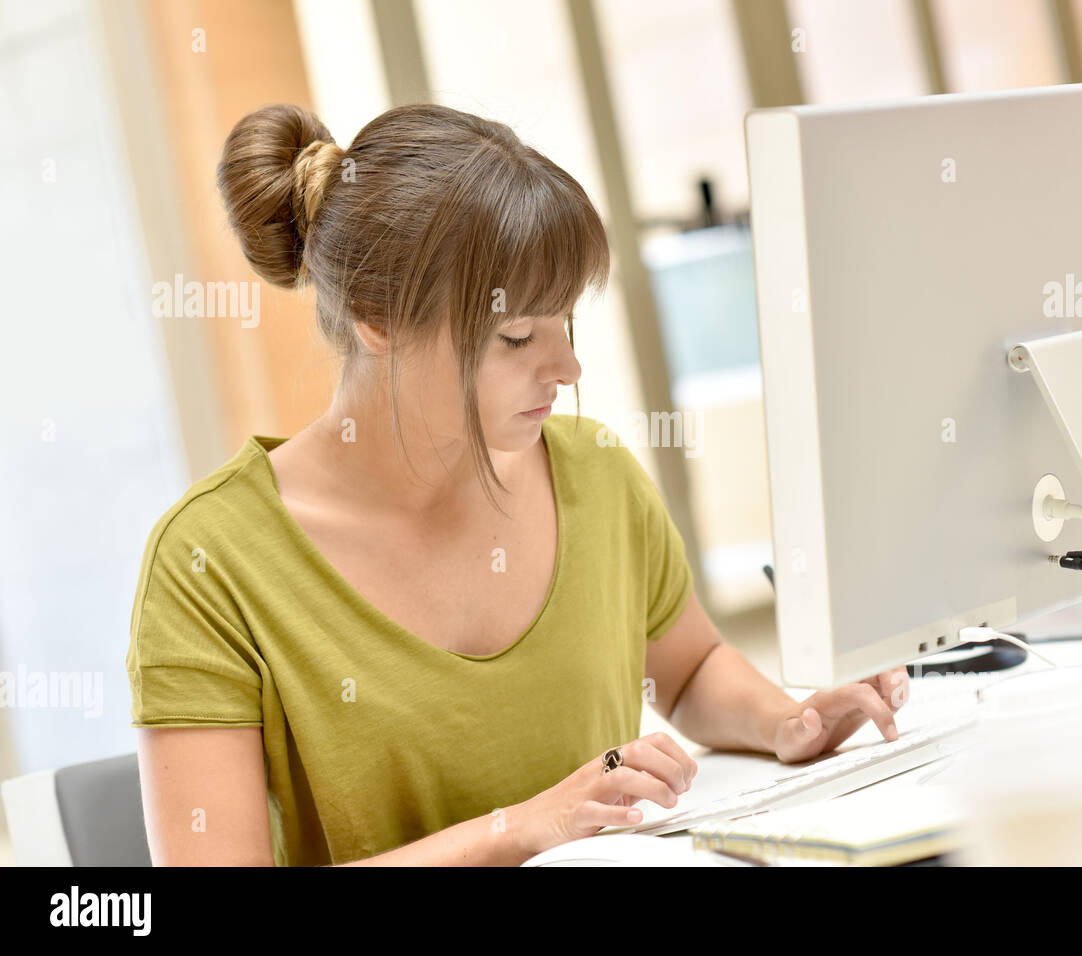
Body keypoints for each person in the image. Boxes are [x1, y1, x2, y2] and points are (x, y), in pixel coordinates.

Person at [126, 102, 908, 866]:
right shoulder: (211, 564)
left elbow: (689, 668)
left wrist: (786, 718)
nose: (567, 371)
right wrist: (521, 829)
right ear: (377, 314)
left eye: (565, 323)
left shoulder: (593, 472)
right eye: (516, 336)